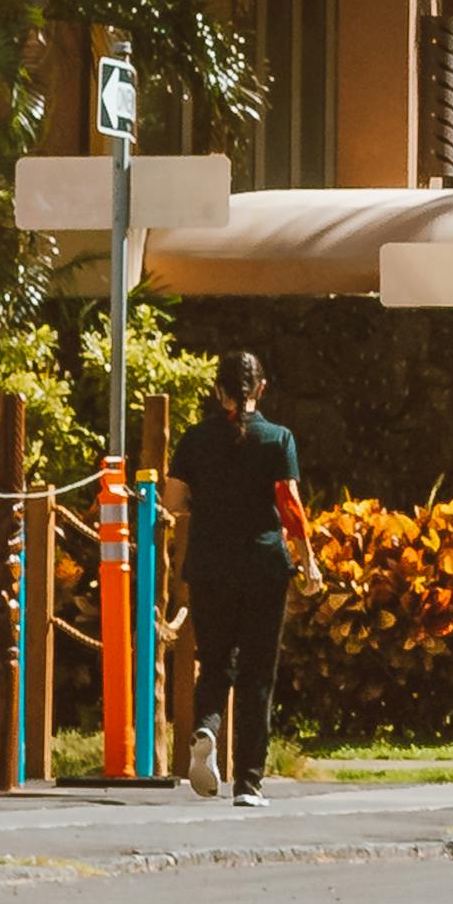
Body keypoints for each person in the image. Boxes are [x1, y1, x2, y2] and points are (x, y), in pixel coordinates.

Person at [173, 340, 304, 804]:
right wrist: (307, 558)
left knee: (213, 662)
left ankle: (206, 729)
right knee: (257, 676)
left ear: (217, 390)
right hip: (264, 565)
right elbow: (289, 504)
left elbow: (173, 501)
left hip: (209, 566)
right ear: (261, 388)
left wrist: (204, 502)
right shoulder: (278, 438)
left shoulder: (194, 440)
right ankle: (249, 782)